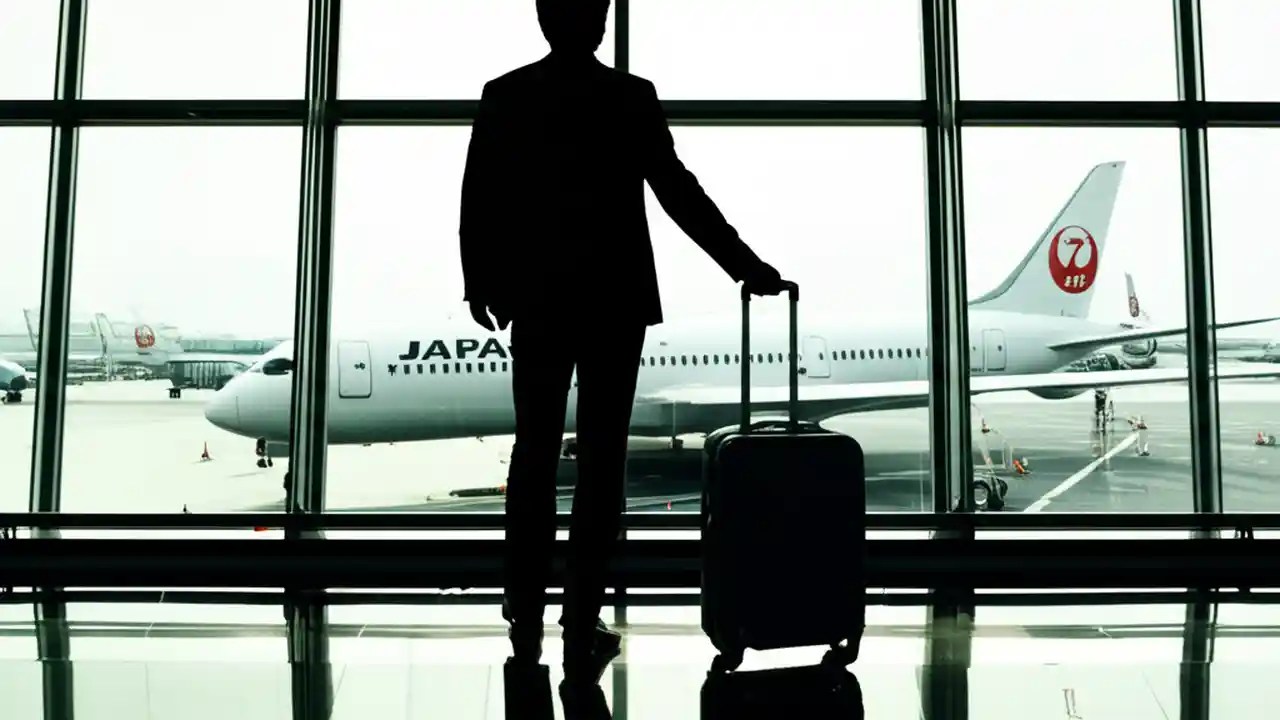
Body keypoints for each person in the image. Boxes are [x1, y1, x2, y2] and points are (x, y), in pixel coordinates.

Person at [458, 0, 787, 690]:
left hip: (539, 298)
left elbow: (480, 199)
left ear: (543, 19)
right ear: (600, 21)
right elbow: (678, 194)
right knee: (602, 465)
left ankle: (524, 613)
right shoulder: (629, 96)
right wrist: (745, 265)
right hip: (613, 300)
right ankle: (582, 620)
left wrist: (480, 281)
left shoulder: (507, 95)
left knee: (534, 457)